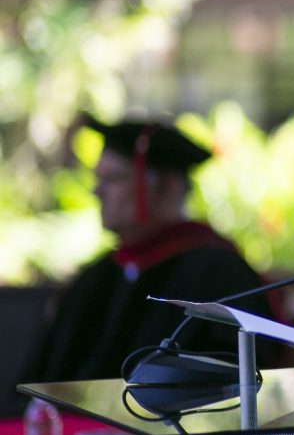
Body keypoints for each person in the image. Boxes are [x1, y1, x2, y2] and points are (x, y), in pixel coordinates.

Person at [27, 115, 280, 383]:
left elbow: (233, 382)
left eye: (113, 178)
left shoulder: (219, 272)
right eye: (97, 179)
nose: (97, 192)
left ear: (167, 188)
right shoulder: (99, 275)